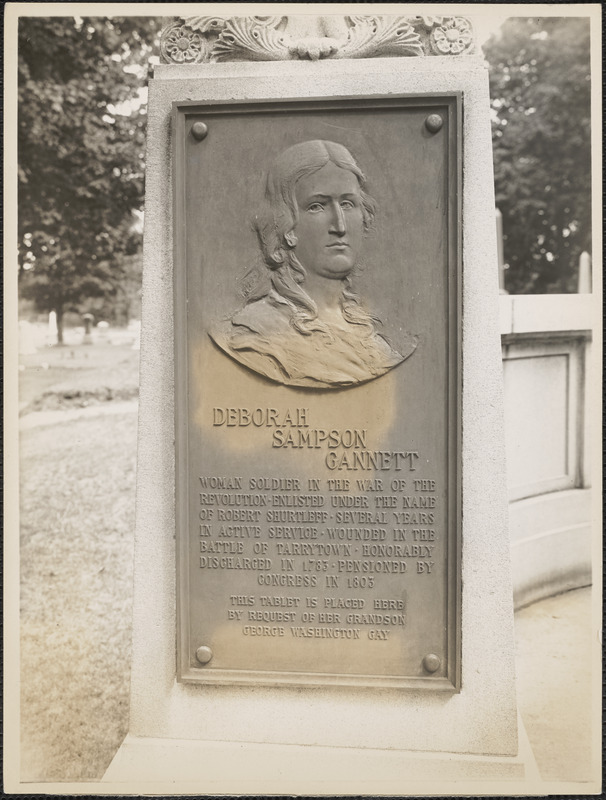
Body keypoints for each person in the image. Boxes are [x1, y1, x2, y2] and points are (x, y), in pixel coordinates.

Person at [209, 139, 417, 388]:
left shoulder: (374, 342)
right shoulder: (259, 335)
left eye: (348, 204)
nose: (339, 226)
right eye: (317, 206)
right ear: (286, 226)